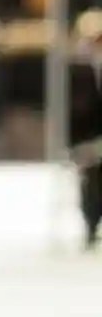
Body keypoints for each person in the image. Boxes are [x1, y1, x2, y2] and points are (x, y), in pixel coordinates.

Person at [71, 36, 102, 250]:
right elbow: (74, 113)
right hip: (89, 140)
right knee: (91, 179)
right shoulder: (79, 74)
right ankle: (91, 227)